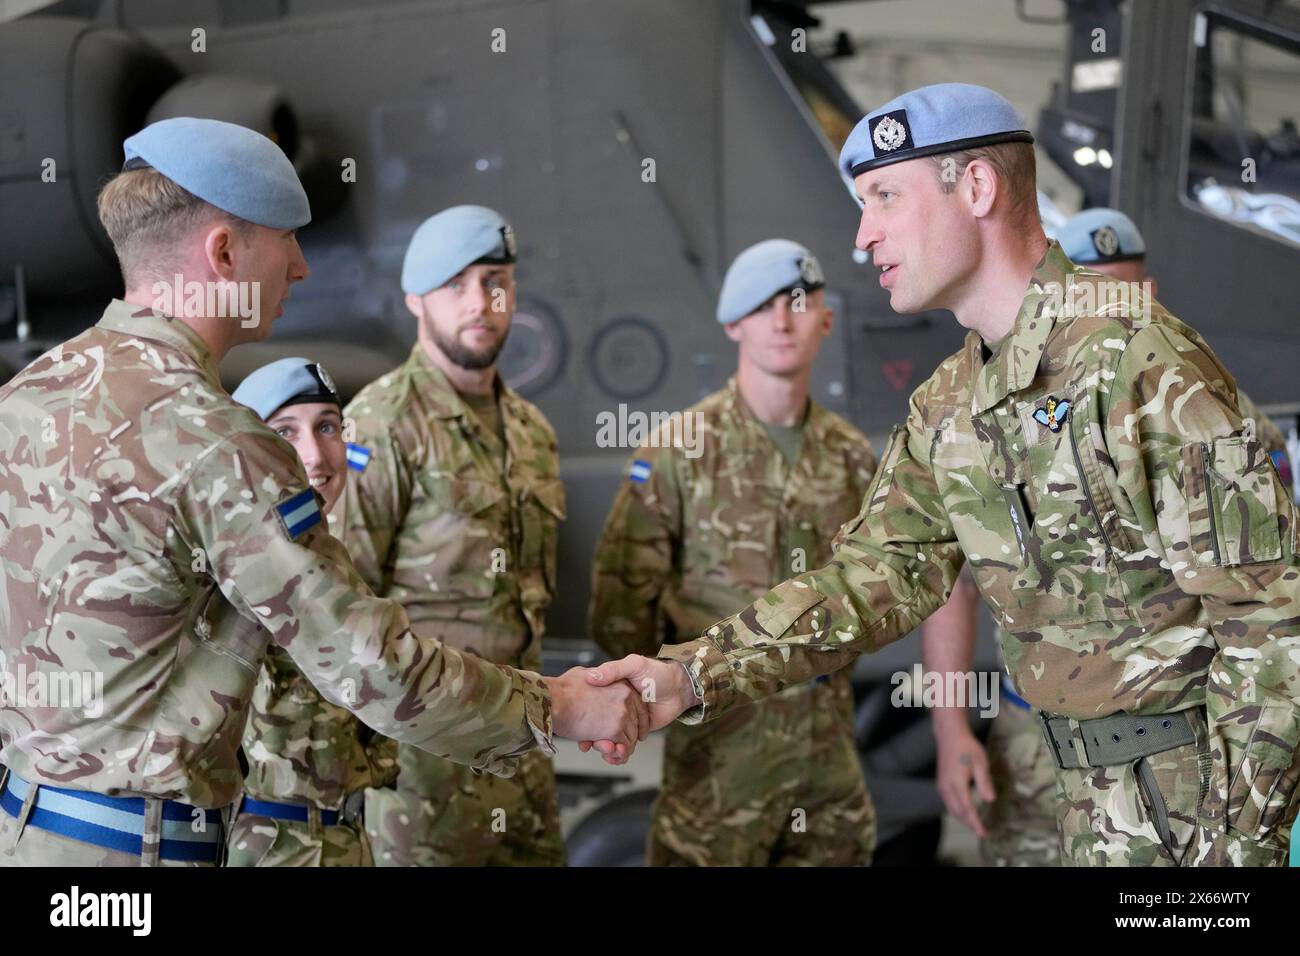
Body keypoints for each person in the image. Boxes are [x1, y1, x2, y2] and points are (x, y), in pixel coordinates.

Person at [588, 84, 1300, 867]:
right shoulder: (951, 404)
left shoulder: (1141, 363)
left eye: (886, 197)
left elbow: (1271, 630)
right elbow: (872, 579)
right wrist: (687, 677)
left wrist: (1234, 852)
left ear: (979, 189)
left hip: (1190, 817)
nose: (864, 236)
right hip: (1067, 798)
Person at [0, 118, 644, 867]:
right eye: (286, 240)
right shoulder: (217, 443)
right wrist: (563, 706)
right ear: (223, 252)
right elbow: (369, 663)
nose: (301, 268)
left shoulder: (25, 398)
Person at [923, 205, 1296, 866]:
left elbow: (1266, 609)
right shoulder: (992, 419)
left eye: (1119, 286)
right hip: (1030, 738)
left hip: (1170, 753)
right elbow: (953, 588)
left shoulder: (1214, 416)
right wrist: (951, 725)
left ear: (1145, 293)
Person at [589, 239, 878, 866]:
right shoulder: (678, 450)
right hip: (717, 768)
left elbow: (881, 586)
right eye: (762, 304)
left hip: (826, 764)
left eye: (798, 303)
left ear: (826, 320)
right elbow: (622, 601)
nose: (781, 320)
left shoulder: (855, 459)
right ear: (732, 323)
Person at [342, 206, 568, 866]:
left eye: (495, 280)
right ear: (416, 299)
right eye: (454, 284)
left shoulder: (532, 431)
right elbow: (339, 609)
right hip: (421, 780)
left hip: (524, 759)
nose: (480, 302)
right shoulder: (380, 425)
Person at [222, 357, 397, 866]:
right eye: (285, 431)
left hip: (342, 839)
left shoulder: (335, 564)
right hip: (266, 847)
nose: (317, 457)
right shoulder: (235, 573)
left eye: (328, 427)